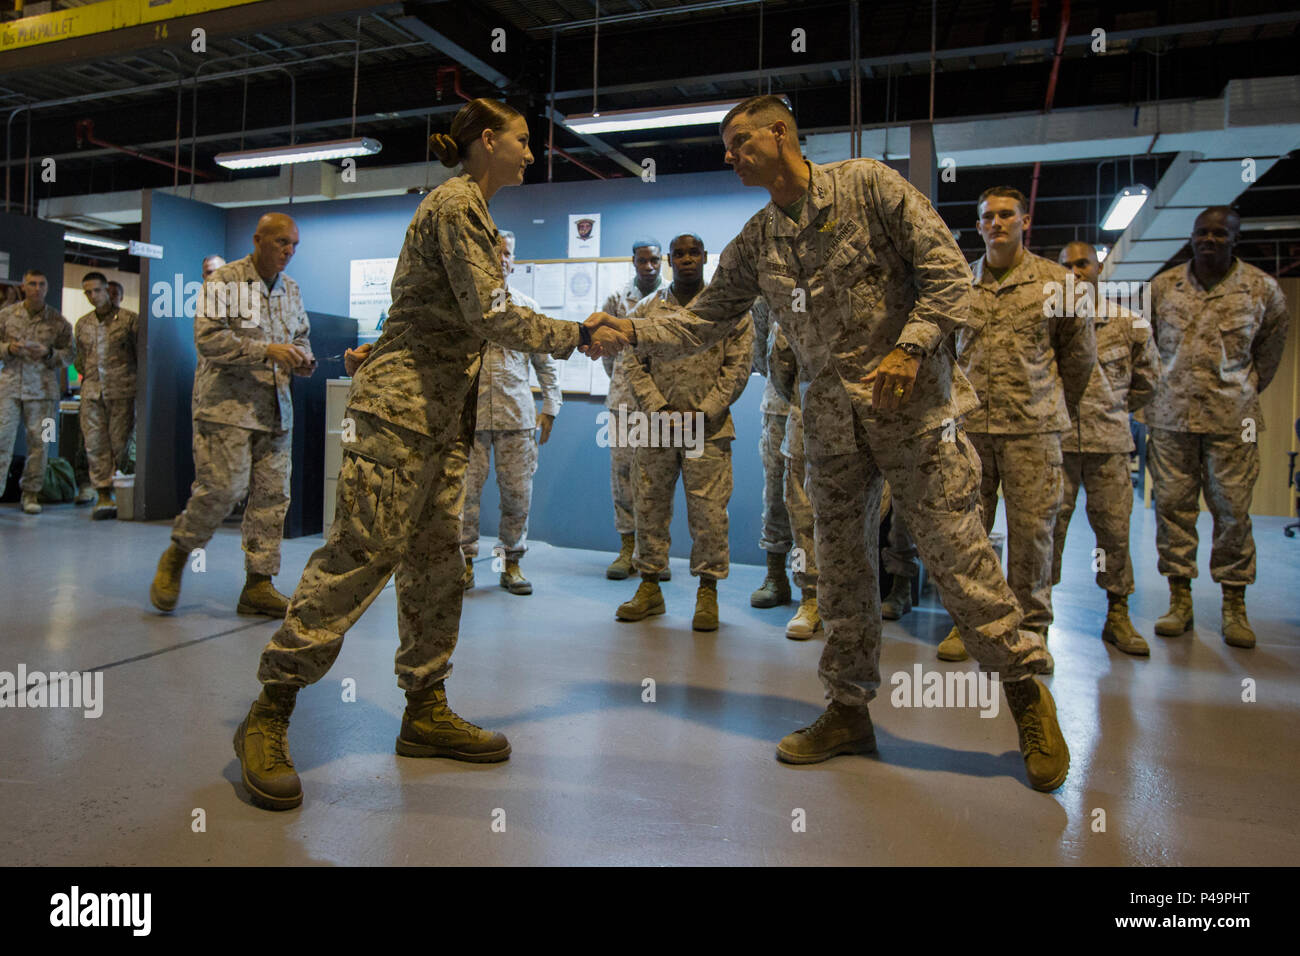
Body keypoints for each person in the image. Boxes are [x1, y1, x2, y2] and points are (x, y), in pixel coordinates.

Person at [587, 95, 1066, 792]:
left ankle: (1026, 694)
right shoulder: (756, 240)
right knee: (839, 571)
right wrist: (629, 329)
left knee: (959, 560)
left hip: (916, 415)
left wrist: (910, 348)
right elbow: (706, 321)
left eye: (740, 141)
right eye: (727, 145)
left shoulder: (868, 186)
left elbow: (948, 278)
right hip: (832, 427)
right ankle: (847, 710)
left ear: (780, 134)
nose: (731, 155)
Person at [231, 98, 626, 811]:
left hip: (444, 424)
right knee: (358, 556)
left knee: (440, 565)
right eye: (522, 140)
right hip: (400, 418)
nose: (532, 153)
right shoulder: (454, 205)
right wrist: (577, 334)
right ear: (484, 141)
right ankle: (270, 710)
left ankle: (425, 710)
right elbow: (489, 315)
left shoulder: (476, 212)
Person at [938, 187, 1096, 666]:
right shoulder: (960, 284)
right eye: (989, 216)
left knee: (1033, 533)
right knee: (969, 531)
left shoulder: (1057, 284)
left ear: (1024, 221)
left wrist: (1047, 404)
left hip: (1033, 430)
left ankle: (1031, 628)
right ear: (980, 225)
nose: (998, 223)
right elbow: (945, 354)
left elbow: (1079, 359)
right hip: (972, 432)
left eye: (1007, 215)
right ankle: (971, 622)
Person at [149, 213, 315, 616]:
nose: (288, 252)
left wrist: (302, 358)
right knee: (222, 489)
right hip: (227, 409)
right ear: (258, 240)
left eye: (293, 245)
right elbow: (208, 340)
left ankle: (259, 584)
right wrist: (266, 351)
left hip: (276, 410)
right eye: (281, 243)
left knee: (273, 498)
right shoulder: (223, 282)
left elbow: (300, 335)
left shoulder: (291, 289)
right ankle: (179, 552)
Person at [1146, 206, 1290, 649]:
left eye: (1219, 233)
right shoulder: (1162, 288)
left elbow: (1269, 353)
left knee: (1233, 511)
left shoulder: (1263, 290)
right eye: (1202, 233)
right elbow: (1146, 347)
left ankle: (1234, 606)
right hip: (1171, 418)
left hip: (1234, 421)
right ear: (1191, 237)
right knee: (1172, 507)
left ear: (1235, 238)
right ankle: (1179, 601)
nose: (1209, 240)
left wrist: (1240, 389)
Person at [614, 233, 753, 631]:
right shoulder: (646, 309)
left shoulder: (727, 309)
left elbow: (738, 367)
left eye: (694, 253)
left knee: (708, 512)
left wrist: (704, 412)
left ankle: (707, 593)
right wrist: (658, 407)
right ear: (670, 260)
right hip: (656, 426)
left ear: (706, 257)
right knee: (649, 506)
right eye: (680, 254)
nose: (687, 259)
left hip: (706, 429)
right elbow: (633, 362)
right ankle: (650, 587)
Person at [1052, 242, 1160, 655]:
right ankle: (1037, 619)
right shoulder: (1048, 321)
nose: (1076, 271)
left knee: (1113, 533)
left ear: (1099, 268)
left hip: (1109, 445)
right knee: (1047, 533)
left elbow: (1148, 382)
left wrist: (1112, 410)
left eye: (1083, 263)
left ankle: (1117, 614)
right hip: (1056, 444)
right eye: (1067, 265)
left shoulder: (1128, 324)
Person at [459, 231, 563, 595]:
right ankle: (464, 564)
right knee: (463, 497)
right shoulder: (463, 307)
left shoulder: (526, 308)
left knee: (517, 496)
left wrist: (550, 407)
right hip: (467, 419)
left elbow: (545, 364)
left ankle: (510, 565)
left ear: (513, 261)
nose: (501, 258)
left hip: (516, 419)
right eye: (493, 251)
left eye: (507, 253)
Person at [601, 238, 666, 580]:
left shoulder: (671, 299)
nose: (649, 266)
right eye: (643, 261)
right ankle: (627, 548)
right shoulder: (616, 299)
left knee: (657, 479)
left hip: (660, 403)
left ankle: (654, 553)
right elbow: (606, 351)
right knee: (623, 476)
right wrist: (621, 381)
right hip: (623, 403)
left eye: (654, 260)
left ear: (662, 261)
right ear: (634, 261)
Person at [0, 269, 73, 515]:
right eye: (32, 284)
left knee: (42, 443)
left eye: (42, 284)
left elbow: (70, 355)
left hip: (44, 392)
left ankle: (31, 493)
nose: (37, 288)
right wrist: (9, 348)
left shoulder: (58, 321)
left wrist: (49, 354)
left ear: (47, 288)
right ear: (23, 286)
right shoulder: (7, 316)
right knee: (1, 439)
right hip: (9, 388)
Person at [768, 319, 821, 639]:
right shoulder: (799, 302)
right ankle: (810, 598)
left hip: (862, 426)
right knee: (802, 518)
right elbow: (779, 364)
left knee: (861, 520)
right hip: (806, 423)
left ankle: (849, 603)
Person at [74, 271, 139, 520]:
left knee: (120, 443)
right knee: (95, 443)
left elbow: (139, 356)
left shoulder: (129, 320)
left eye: (97, 290)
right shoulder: (83, 324)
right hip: (92, 393)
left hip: (122, 391)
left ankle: (122, 490)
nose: (93, 296)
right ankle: (103, 493)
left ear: (107, 290)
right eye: (88, 292)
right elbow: (80, 359)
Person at [750, 295, 795, 609]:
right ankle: (776, 576)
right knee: (776, 496)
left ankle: (820, 585)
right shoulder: (769, 288)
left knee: (824, 499)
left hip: (826, 404)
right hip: (780, 406)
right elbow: (758, 354)